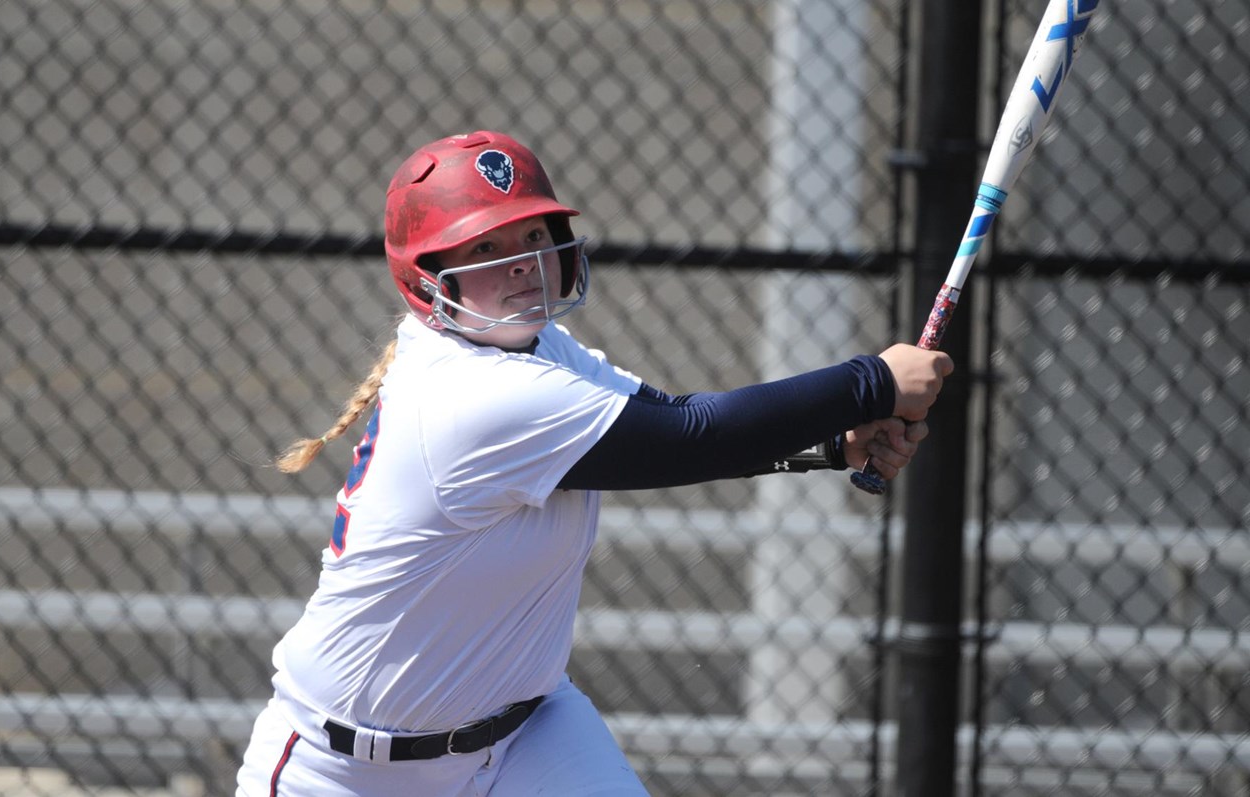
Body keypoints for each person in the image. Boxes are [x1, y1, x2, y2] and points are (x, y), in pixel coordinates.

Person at [235, 130, 953, 796]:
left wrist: (835, 442)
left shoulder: (537, 348)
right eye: (483, 247)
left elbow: (664, 422)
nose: (522, 262)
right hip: (347, 772)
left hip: (525, 736)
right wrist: (872, 382)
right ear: (427, 279)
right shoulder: (471, 395)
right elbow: (694, 437)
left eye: (533, 234)